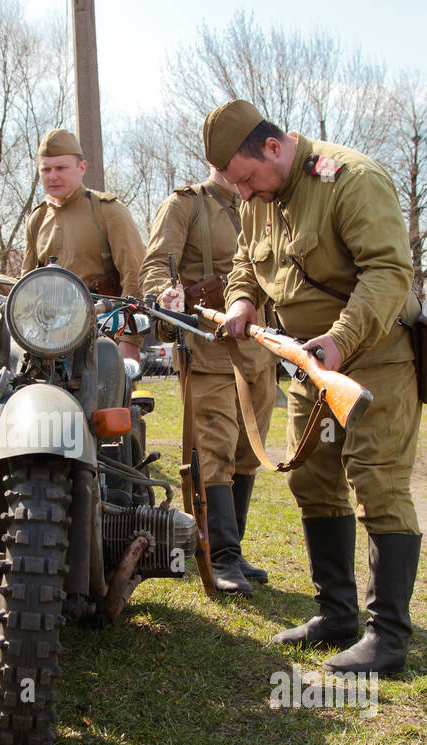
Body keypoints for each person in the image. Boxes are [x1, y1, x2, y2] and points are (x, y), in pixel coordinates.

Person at [204, 99, 422, 677]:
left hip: (374, 358)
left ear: (273, 147)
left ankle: (389, 638)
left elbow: (387, 273)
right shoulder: (258, 198)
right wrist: (243, 303)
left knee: (377, 481)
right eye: (237, 187)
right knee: (312, 477)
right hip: (308, 363)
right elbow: (245, 266)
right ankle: (337, 615)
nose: (245, 196)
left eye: (248, 179)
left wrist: (339, 343)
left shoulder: (350, 180)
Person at [139, 167, 278, 595]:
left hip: (260, 348)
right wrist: (166, 294)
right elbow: (154, 269)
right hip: (208, 348)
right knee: (215, 448)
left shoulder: (266, 202)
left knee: (248, 451)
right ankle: (219, 555)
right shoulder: (186, 204)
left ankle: (232, 549)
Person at [23, 128, 146, 361]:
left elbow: (135, 276)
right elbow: (26, 287)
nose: (52, 176)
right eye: (45, 169)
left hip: (104, 338)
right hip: (49, 341)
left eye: (61, 168)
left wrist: (129, 340)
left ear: (82, 168)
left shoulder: (107, 211)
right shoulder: (37, 219)